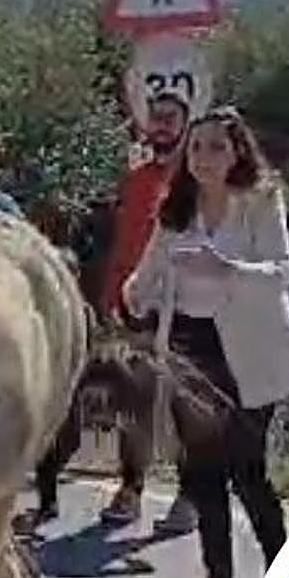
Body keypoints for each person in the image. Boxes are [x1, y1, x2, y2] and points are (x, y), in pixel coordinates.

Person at [123, 107, 289, 578]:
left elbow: (281, 272)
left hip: (251, 349)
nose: (204, 158)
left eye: (216, 147)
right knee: (201, 473)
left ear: (237, 152)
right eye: (197, 147)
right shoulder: (176, 208)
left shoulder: (259, 201)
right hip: (190, 346)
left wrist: (228, 269)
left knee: (248, 472)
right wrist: (137, 294)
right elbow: (149, 273)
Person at [100, 92, 197, 533]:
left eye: (169, 119)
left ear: (185, 124)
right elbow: (125, 242)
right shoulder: (137, 179)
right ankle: (131, 490)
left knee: (185, 403)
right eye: (155, 119)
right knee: (133, 398)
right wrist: (112, 298)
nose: (161, 126)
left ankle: (189, 495)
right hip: (136, 303)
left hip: (186, 305)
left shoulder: (199, 178)